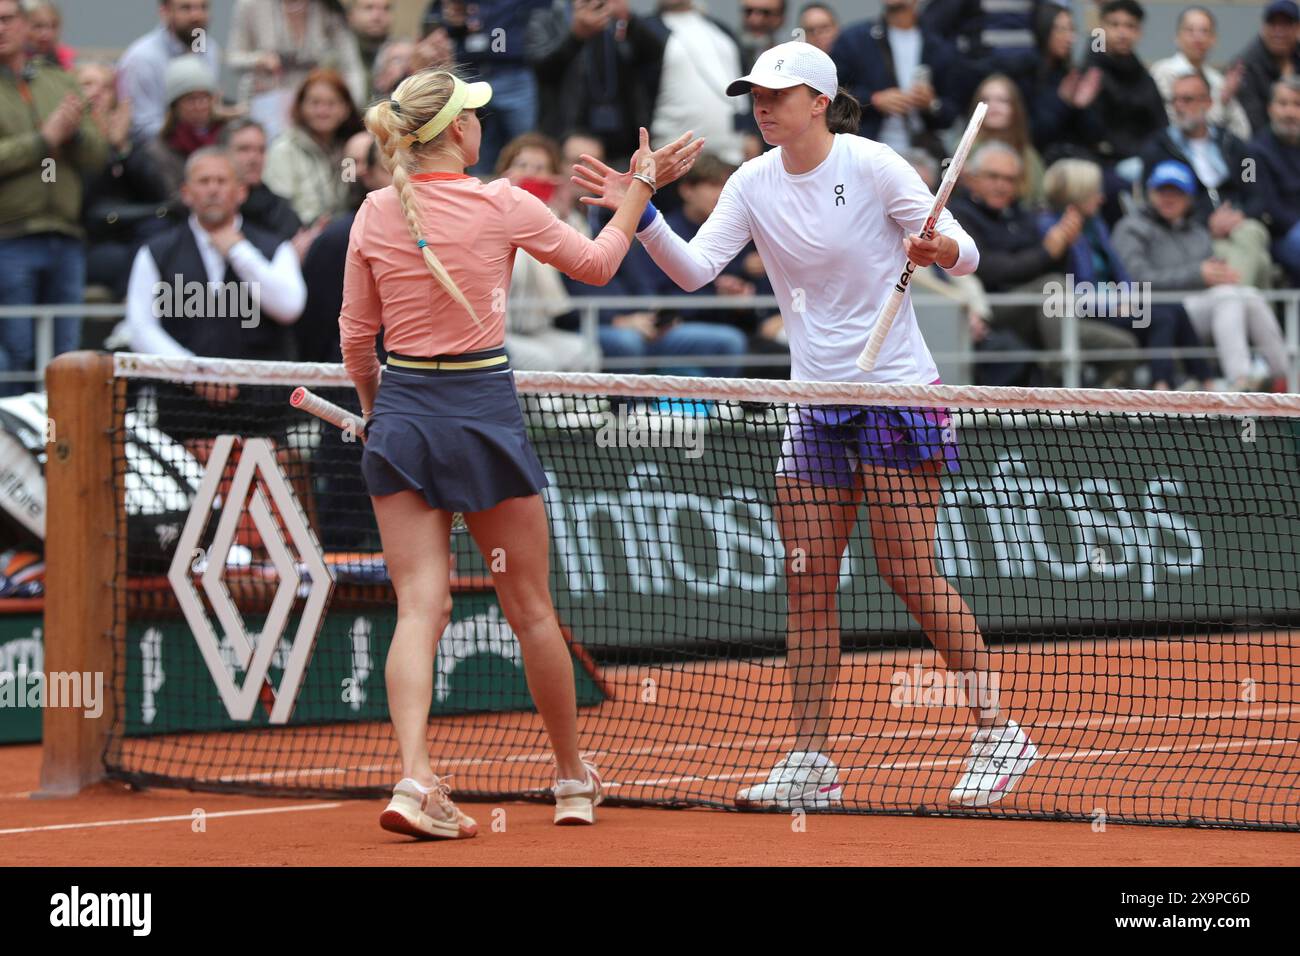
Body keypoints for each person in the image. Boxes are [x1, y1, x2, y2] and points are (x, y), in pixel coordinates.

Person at [574, 41, 1040, 810]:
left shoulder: (874, 166)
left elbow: (970, 253)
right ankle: (812, 759)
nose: (762, 105)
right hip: (814, 402)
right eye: (754, 93)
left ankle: (998, 729)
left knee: (906, 572)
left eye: (778, 94)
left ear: (819, 100)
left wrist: (940, 245)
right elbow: (693, 271)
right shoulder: (753, 182)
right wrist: (644, 209)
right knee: (806, 581)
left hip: (894, 395)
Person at [337, 67, 703, 837]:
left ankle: (414, 778)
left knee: (419, 609)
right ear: (460, 133)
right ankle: (571, 781)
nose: (479, 123)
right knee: (531, 607)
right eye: (471, 115)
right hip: (481, 416)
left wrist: (377, 414)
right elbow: (600, 264)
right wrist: (639, 185)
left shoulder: (372, 211)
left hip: (402, 418)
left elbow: (353, 340)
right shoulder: (502, 201)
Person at [122, 147, 307, 439]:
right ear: (186, 192)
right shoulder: (156, 252)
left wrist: (238, 252)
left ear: (241, 191)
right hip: (184, 418)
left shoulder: (275, 248)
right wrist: (195, 372)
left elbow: (289, 307)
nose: (213, 189)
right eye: (204, 181)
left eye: (222, 181)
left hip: (263, 418)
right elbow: (140, 327)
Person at [0, 0, 107, 394]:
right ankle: (12, 447)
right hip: (9, 238)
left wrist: (72, 132)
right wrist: (43, 141)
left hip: (65, 236)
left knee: (65, 359)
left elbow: (98, 153)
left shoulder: (58, 81)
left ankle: (59, 447)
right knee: (16, 355)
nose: (1, 28)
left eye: (8, 19)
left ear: (26, 26)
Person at [1114, 161, 1287, 392]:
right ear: (1149, 193)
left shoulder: (1198, 233)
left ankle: (1287, 380)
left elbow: (1209, 276)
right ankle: (1241, 383)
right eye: (1162, 191)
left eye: (1176, 192)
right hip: (1153, 311)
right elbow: (1136, 281)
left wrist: (1219, 275)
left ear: (1189, 198)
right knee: (1227, 298)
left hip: (1197, 309)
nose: (1168, 198)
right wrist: (1197, 275)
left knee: (1249, 295)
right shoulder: (1131, 228)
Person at [1039, 157, 1205, 389]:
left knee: (1174, 308)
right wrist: (1111, 304)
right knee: (1162, 316)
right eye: (1094, 191)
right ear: (1076, 193)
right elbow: (1065, 285)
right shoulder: (1049, 227)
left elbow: (1121, 272)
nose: (1102, 198)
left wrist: (1126, 298)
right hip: (1086, 311)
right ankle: (1161, 387)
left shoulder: (1096, 224)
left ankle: (1206, 381)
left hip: (1115, 304)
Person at [494, 133, 601, 372]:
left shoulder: (559, 219)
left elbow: (585, 257)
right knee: (540, 361)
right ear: (505, 171)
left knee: (584, 351)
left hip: (539, 327)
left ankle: (583, 411)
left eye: (540, 168)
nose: (530, 173)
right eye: (521, 165)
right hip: (497, 330)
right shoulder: (488, 208)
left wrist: (562, 215)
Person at [526, 0, 667, 165]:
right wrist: (576, 35)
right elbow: (542, 69)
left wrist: (627, 19)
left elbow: (656, 56)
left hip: (624, 141)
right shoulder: (547, 19)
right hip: (568, 136)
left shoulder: (621, 19)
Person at [421, 1, 550, 176]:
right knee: (471, 140)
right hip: (469, 71)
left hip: (512, 71)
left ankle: (530, 189)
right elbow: (436, 25)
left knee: (526, 143)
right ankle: (477, 192)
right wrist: (452, 23)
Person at [80, 62, 171, 301]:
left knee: (157, 239)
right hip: (89, 239)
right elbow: (79, 200)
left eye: (107, 87)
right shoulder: (66, 141)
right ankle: (131, 316)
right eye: (88, 85)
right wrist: (101, 150)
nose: (98, 93)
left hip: (132, 233)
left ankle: (131, 319)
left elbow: (158, 194)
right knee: (140, 261)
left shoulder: (132, 138)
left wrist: (122, 150)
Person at [830, 0, 963, 163]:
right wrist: (873, 100)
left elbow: (952, 112)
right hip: (864, 149)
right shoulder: (853, 39)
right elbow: (832, 93)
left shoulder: (940, 46)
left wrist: (931, 104)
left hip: (922, 156)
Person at [226, 0, 366, 140]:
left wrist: (352, 105)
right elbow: (232, 58)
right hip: (266, 98)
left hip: (311, 105)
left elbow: (352, 66)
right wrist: (259, 60)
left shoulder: (328, 7)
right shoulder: (250, 5)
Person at [648, 1, 747, 167]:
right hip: (672, 160)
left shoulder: (721, 30)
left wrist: (750, 131)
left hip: (731, 158)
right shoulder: (645, 30)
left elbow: (744, 85)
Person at [264, 69, 365, 227]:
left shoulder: (349, 150)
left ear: (346, 109)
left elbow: (351, 194)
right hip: (301, 235)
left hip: (345, 232)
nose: (322, 111)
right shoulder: (285, 150)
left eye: (331, 104)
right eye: (315, 103)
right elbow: (280, 206)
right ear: (301, 107)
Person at [118, 0, 223, 141]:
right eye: (186, 8)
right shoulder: (142, 58)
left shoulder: (209, 48)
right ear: (164, 12)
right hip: (156, 146)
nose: (197, 15)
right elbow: (142, 128)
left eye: (203, 7)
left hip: (201, 143)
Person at [1149, 6, 1251, 141]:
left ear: (1214, 39)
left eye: (1205, 31)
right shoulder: (1164, 71)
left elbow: (1243, 131)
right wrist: (1222, 102)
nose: (1198, 37)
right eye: (1190, 30)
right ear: (1177, 37)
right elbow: (1178, 125)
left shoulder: (1217, 80)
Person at [1029, 2, 1105, 164]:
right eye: (1062, 30)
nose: (1071, 38)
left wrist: (1082, 107)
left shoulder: (1070, 74)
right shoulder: (1026, 75)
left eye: (1072, 29)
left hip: (1077, 159)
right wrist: (1062, 103)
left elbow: (1095, 136)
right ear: (1043, 29)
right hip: (1040, 161)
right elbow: (1034, 136)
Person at [143, 55, 226, 201]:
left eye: (204, 98)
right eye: (191, 100)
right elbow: (171, 195)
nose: (199, 106)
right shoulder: (160, 149)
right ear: (175, 106)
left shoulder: (228, 137)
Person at [1247, 76, 1300, 283]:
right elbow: (1261, 203)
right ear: (1270, 108)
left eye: (1297, 104)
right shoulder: (1250, 153)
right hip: (1279, 234)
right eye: (1283, 103)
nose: (1290, 112)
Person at [221, 118, 303, 245]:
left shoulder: (281, 210)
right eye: (244, 149)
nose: (254, 158)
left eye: (261, 150)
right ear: (223, 153)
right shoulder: (206, 206)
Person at [970, 73, 1044, 204]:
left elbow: (1037, 200)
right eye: (985, 100)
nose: (992, 106)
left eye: (1002, 100)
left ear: (1015, 108)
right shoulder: (961, 147)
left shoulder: (1028, 156)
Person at [1234, 0, 1300, 136]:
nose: (1279, 32)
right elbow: (1255, 121)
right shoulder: (1246, 65)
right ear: (1263, 28)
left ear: (1297, 28)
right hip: (1268, 145)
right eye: (1273, 24)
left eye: (1286, 25)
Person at [347, 0, 392, 100]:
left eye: (386, 8)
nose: (378, 16)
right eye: (369, 8)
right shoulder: (333, 59)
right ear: (350, 15)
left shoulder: (401, 57)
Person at [22, 0, 71, 71]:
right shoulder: (13, 62)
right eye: (38, 26)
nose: (47, 34)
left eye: (53, 26)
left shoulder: (68, 61)